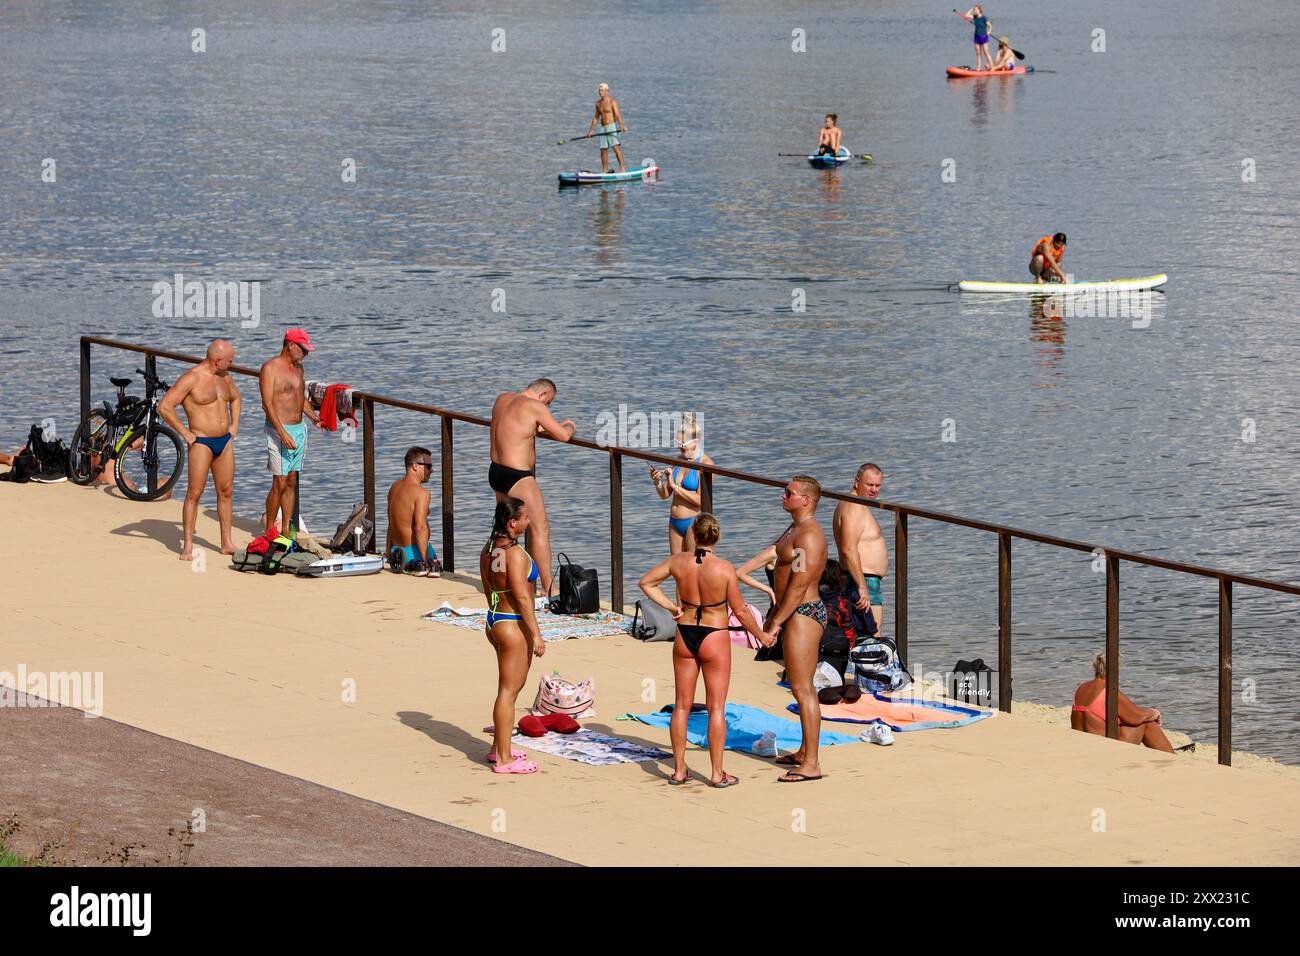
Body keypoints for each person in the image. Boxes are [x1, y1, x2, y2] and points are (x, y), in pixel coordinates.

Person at [639, 514, 769, 788]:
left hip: (685, 634)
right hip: (714, 635)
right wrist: (762, 636)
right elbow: (742, 611)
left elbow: (647, 583)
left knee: (682, 705)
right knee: (716, 708)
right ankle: (717, 773)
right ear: (716, 536)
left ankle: (678, 770)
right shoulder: (724, 569)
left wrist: (672, 607)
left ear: (693, 536)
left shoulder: (679, 562)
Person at [742, 475, 829, 782]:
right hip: (793, 612)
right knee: (797, 684)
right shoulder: (795, 529)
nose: (784, 496)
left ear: (806, 500)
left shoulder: (810, 535)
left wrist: (775, 620)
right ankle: (805, 751)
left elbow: (799, 584)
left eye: (789, 493)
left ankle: (812, 764)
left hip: (803, 612)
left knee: (803, 688)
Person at [488, 378, 576, 599]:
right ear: (543, 395)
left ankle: (499, 578)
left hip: (496, 471)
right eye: (549, 403)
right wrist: (570, 425)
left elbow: (521, 427)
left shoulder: (502, 399)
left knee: (503, 527)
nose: (547, 407)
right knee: (539, 528)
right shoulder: (535, 406)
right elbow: (563, 435)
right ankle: (547, 588)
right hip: (517, 475)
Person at [157, 340, 242, 560]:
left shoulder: (225, 378)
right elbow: (165, 406)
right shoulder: (191, 378)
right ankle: (187, 546)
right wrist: (185, 433)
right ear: (217, 360)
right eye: (230, 360)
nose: (232, 364)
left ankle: (226, 542)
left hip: (224, 442)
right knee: (195, 493)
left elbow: (236, 398)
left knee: (226, 491)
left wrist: (234, 425)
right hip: (201, 442)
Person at [480, 497, 546, 775]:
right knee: (510, 691)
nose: (529, 522)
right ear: (512, 523)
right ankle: (505, 759)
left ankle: (499, 748)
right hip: (512, 624)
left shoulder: (489, 548)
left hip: (495, 619)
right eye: (526, 518)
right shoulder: (516, 555)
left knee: (506, 688)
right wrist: (536, 634)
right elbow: (521, 597)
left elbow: (488, 586)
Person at [259, 329, 320, 537]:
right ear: (290, 345)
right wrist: (282, 433)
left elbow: (300, 397)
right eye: (303, 349)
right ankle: (269, 530)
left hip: (298, 429)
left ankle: (286, 528)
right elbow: (267, 404)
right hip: (278, 430)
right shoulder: (270, 368)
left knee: (292, 479)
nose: (306, 354)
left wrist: (314, 419)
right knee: (280, 481)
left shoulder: (299, 368)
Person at [1071, 652, 1175, 753]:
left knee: (1133, 720)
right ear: (1116, 669)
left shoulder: (1081, 688)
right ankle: (1173, 758)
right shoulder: (1108, 691)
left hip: (1083, 745)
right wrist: (1154, 713)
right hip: (1103, 749)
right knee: (1147, 724)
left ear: (1095, 667)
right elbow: (1136, 717)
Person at [832, 463, 889, 636]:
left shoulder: (856, 504)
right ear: (856, 482)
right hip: (862, 580)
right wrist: (862, 587)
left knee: (862, 638)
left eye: (877, 486)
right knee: (873, 640)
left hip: (861, 579)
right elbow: (848, 548)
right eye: (869, 485)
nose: (874, 490)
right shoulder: (854, 506)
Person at [649, 415, 711, 556]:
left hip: (692, 522)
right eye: (678, 443)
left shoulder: (706, 464)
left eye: (683, 444)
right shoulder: (679, 460)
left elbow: (701, 501)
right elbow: (665, 495)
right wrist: (657, 481)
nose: (680, 448)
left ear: (695, 442)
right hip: (674, 523)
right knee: (676, 568)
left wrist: (676, 487)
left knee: (691, 567)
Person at [385, 446, 442, 576]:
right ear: (415, 466)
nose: (431, 470)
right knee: (435, 568)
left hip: (396, 552)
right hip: (413, 554)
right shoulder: (422, 493)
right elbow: (419, 527)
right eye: (428, 466)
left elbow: (391, 524)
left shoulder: (394, 487)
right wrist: (424, 561)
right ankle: (419, 565)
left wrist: (388, 554)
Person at [585, 82, 628, 174]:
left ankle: (623, 168)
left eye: (601, 90)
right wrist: (590, 131)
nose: (600, 92)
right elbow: (596, 118)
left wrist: (622, 126)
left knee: (616, 147)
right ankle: (604, 170)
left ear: (606, 91)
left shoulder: (612, 101)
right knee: (603, 149)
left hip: (611, 126)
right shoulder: (598, 104)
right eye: (599, 90)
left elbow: (618, 114)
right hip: (603, 128)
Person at [959, 6, 995, 72]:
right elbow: (966, 16)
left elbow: (989, 25)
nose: (974, 11)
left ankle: (992, 67)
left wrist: (989, 31)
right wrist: (971, 9)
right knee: (978, 53)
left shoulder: (984, 18)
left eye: (975, 10)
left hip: (984, 36)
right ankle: (979, 67)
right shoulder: (974, 17)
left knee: (986, 53)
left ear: (979, 10)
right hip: (976, 37)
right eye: (974, 10)